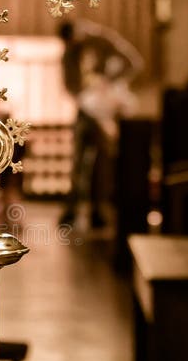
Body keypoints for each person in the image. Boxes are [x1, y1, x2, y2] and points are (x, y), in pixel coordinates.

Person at [58, 18, 143, 228]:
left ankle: (98, 210)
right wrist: (84, 95)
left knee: (101, 164)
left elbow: (134, 63)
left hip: (103, 110)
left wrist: (109, 84)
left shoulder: (103, 40)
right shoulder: (69, 53)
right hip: (85, 110)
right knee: (78, 162)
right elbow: (69, 83)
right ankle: (72, 209)